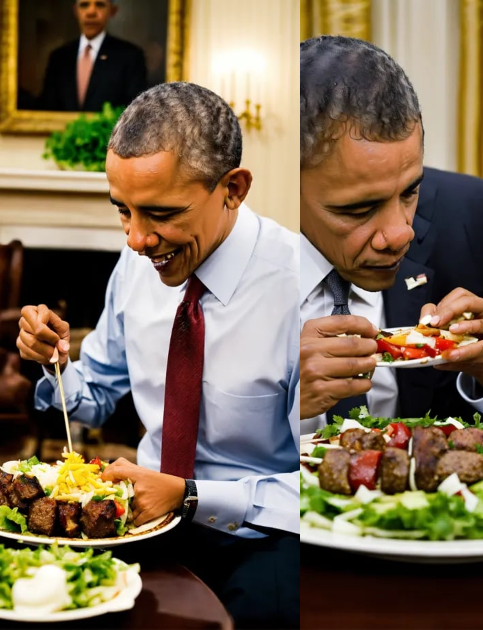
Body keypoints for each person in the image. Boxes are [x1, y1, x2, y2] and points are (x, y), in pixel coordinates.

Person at [15, 83, 299, 628]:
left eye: (161, 214)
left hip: (264, 535)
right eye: (123, 211)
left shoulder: (300, 288)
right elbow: (94, 397)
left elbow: (320, 483)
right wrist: (54, 362)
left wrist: (190, 495)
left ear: (233, 189)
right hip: (142, 520)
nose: (136, 240)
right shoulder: (137, 266)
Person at [297, 36, 483, 432]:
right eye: (358, 209)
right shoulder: (217, 257)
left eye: (410, 192)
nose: (400, 234)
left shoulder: (473, 219)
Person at [39, 0, 148, 111]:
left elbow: (136, 111)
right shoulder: (59, 57)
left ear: (112, 11)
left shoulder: (130, 56)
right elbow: (46, 108)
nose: (91, 12)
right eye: (84, 5)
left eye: (100, 5)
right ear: (75, 11)